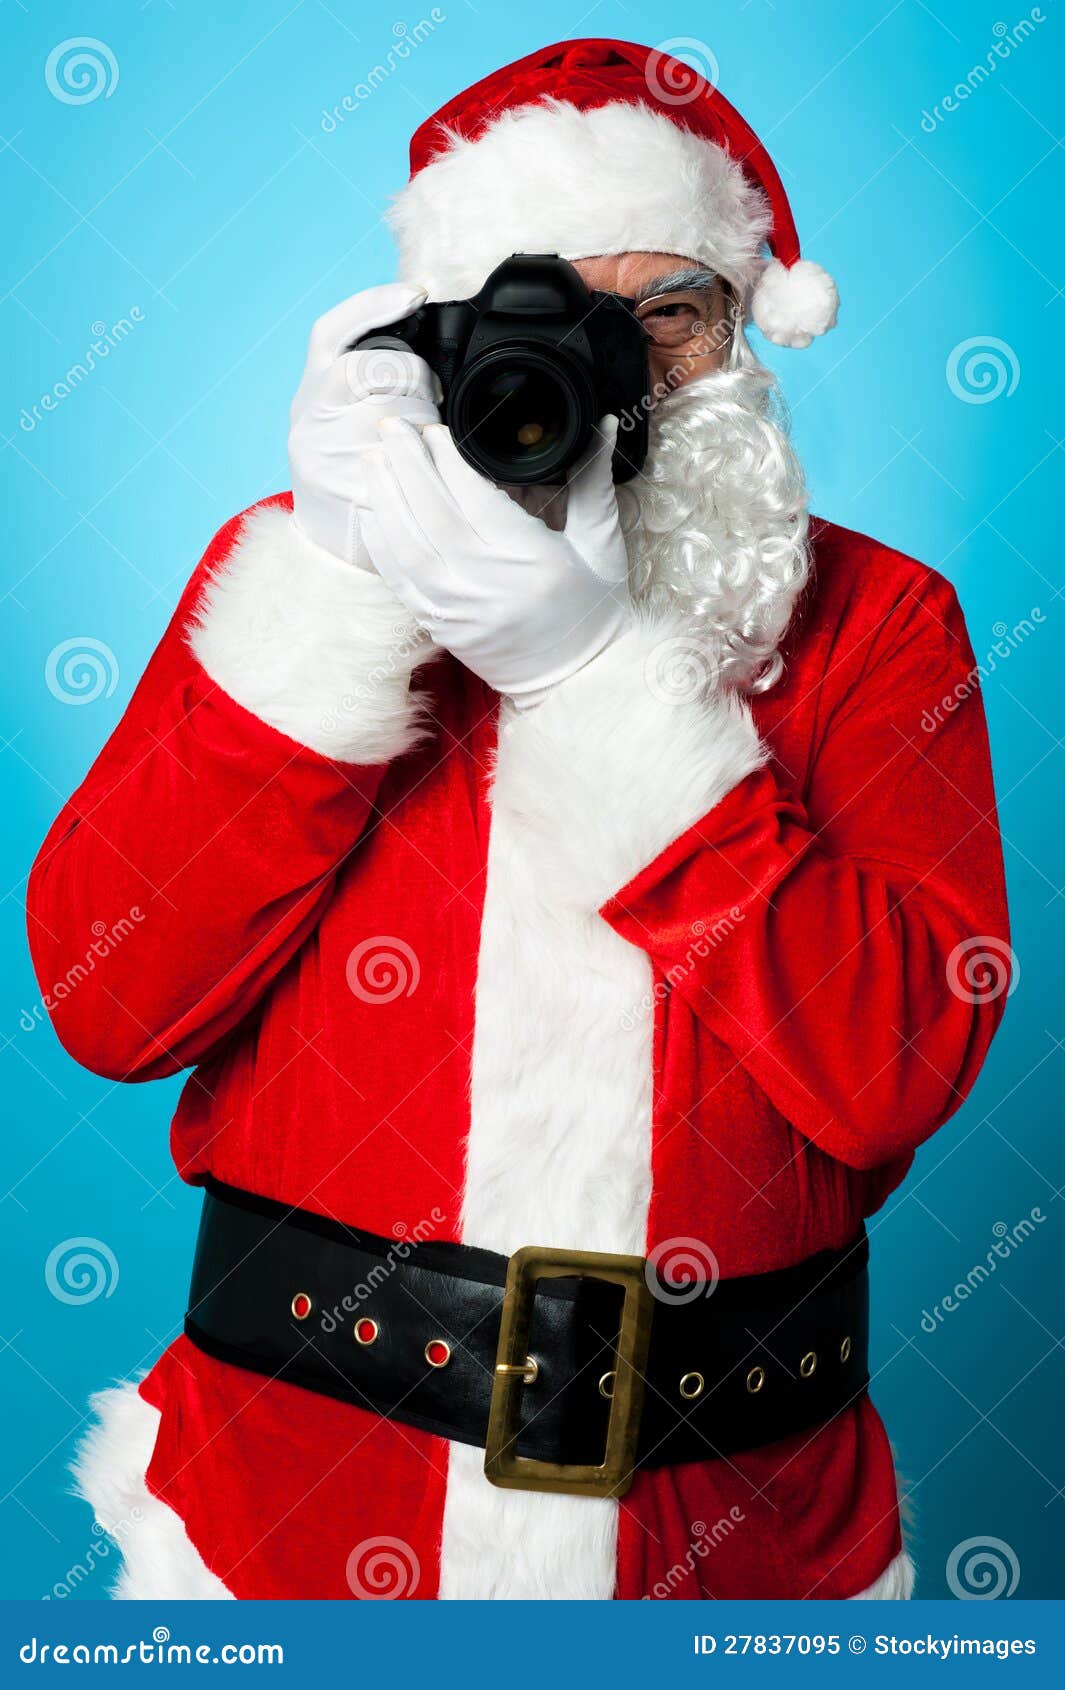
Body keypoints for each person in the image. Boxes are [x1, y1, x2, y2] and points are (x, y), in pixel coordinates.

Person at [28, 38, 1009, 1601]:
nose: (605, 374)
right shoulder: (298, 571)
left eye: (665, 318)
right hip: (288, 1512)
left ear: (746, 338)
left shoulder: (875, 624)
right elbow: (106, 996)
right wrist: (334, 598)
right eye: (541, 313)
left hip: (732, 1544)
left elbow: (891, 1063)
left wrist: (599, 677)